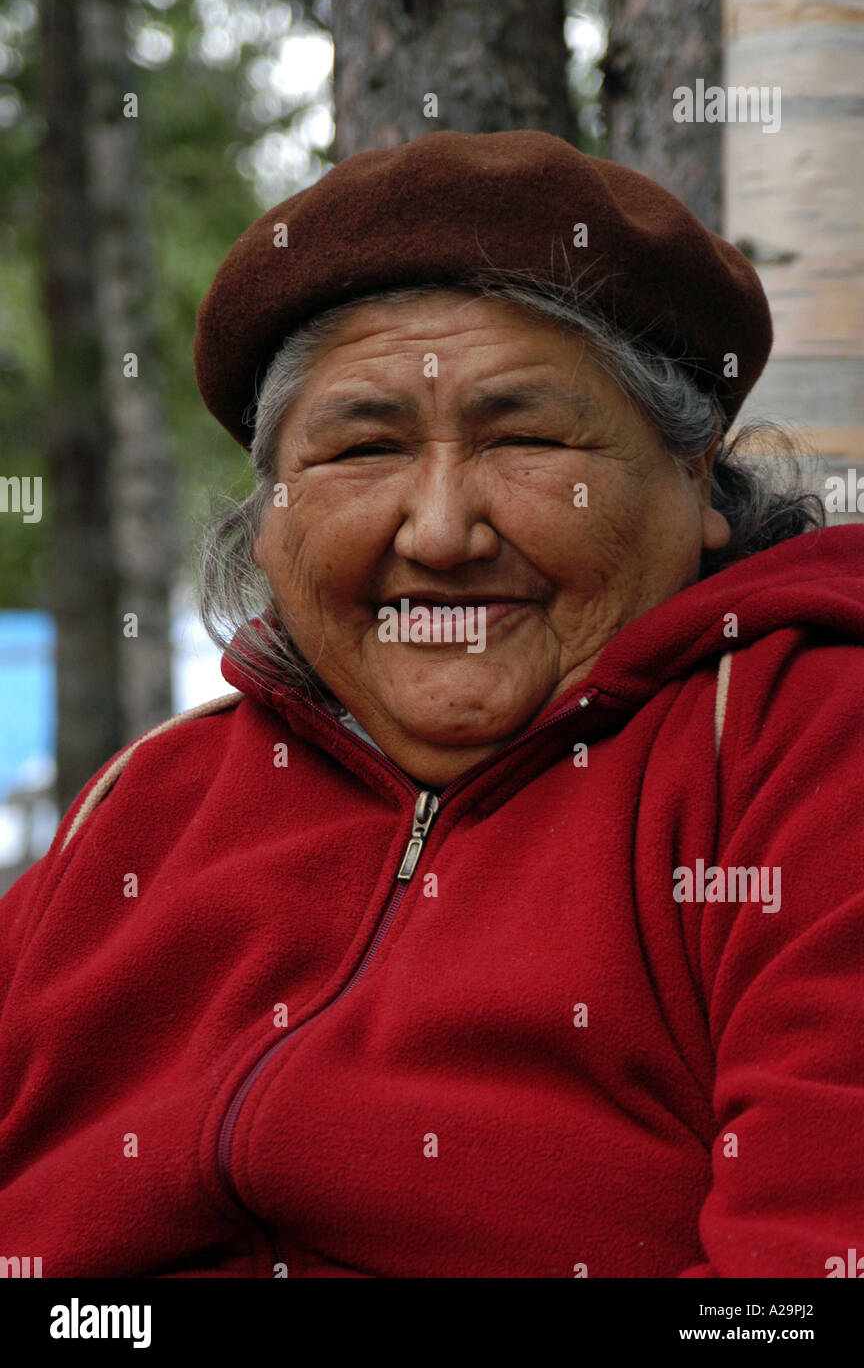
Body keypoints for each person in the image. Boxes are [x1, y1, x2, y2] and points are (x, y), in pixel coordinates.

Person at [1, 130, 863, 1279]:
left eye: (527, 438)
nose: (443, 530)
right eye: (362, 448)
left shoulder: (799, 736)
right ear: (272, 518)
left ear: (695, 474)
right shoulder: (148, 802)